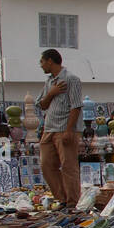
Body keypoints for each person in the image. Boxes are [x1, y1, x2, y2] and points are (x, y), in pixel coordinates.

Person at [36, 48, 83, 207]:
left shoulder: (71, 79)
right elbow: (42, 104)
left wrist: (69, 130)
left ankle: (72, 202)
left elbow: (76, 106)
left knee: (68, 166)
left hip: (65, 128)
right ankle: (61, 198)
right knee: (47, 165)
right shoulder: (49, 82)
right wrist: (51, 93)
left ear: (50, 61)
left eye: (42, 62)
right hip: (49, 129)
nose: (41, 65)